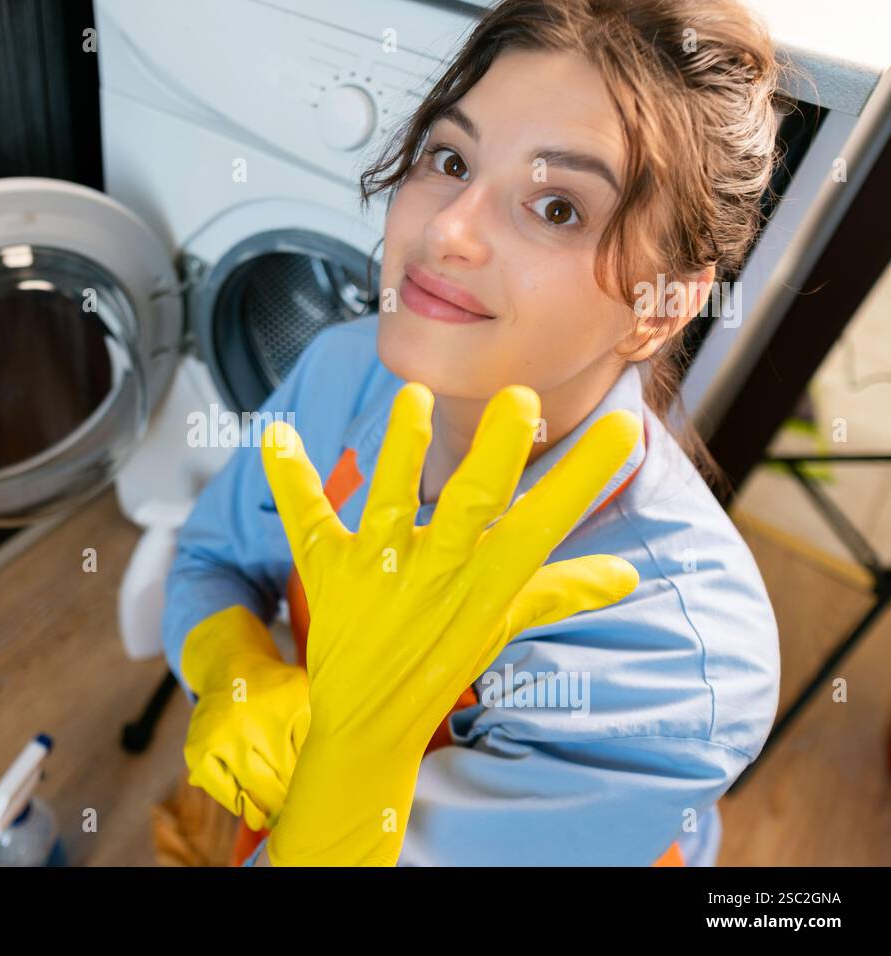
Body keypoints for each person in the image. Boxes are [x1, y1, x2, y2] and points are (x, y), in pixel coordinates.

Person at [162, 0, 783, 866]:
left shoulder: (681, 656)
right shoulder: (343, 371)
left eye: (558, 207)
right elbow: (211, 559)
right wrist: (237, 667)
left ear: (663, 306)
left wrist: (355, 751)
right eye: (449, 158)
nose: (445, 228)